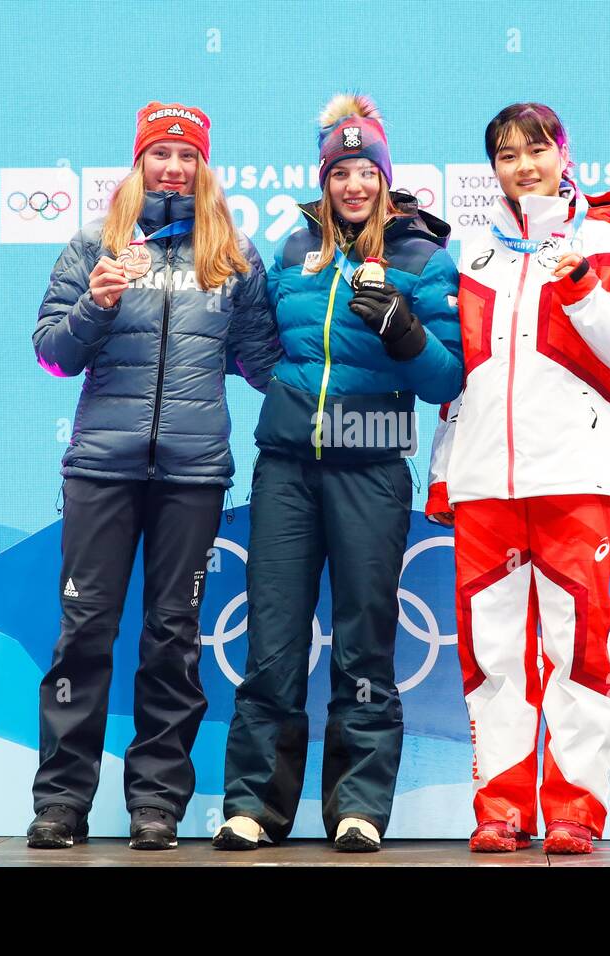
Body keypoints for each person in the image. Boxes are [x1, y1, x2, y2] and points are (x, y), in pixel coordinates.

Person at [26, 101, 282, 851]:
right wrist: (97, 305)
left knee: (173, 637)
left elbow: (267, 364)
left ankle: (158, 804)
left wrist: (350, 352)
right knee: (84, 634)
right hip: (101, 471)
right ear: (137, 164)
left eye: (187, 155)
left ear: (204, 168)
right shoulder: (90, 247)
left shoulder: (232, 255)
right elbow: (53, 352)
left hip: (192, 476)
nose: (173, 166)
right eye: (160, 154)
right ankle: (62, 803)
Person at [212, 93, 464, 853]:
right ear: (323, 179)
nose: (353, 184)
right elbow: (259, 351)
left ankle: (358, 806)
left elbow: (446, 380)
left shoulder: (423, 257)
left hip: (372, 468)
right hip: (288, 467)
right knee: (274, 640)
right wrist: (291, 398)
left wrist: (402, 328)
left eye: (365, 170)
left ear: (386, 177)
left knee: (364, 641)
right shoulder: (292, 252)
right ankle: (255, 806)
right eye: (340, 171)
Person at [426, 102, 610, 854]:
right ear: (492, 169)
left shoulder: (603, 242)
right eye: (507, 155)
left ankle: (575, 813)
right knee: (493, 656)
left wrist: (582, 285)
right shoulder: (472, 254)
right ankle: (500, 810)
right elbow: (461, 375)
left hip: (577, 480)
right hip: (485, 488)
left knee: (578, 651)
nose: (524, 165)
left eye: (537, 149)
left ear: (565, 154)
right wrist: (445, 474)